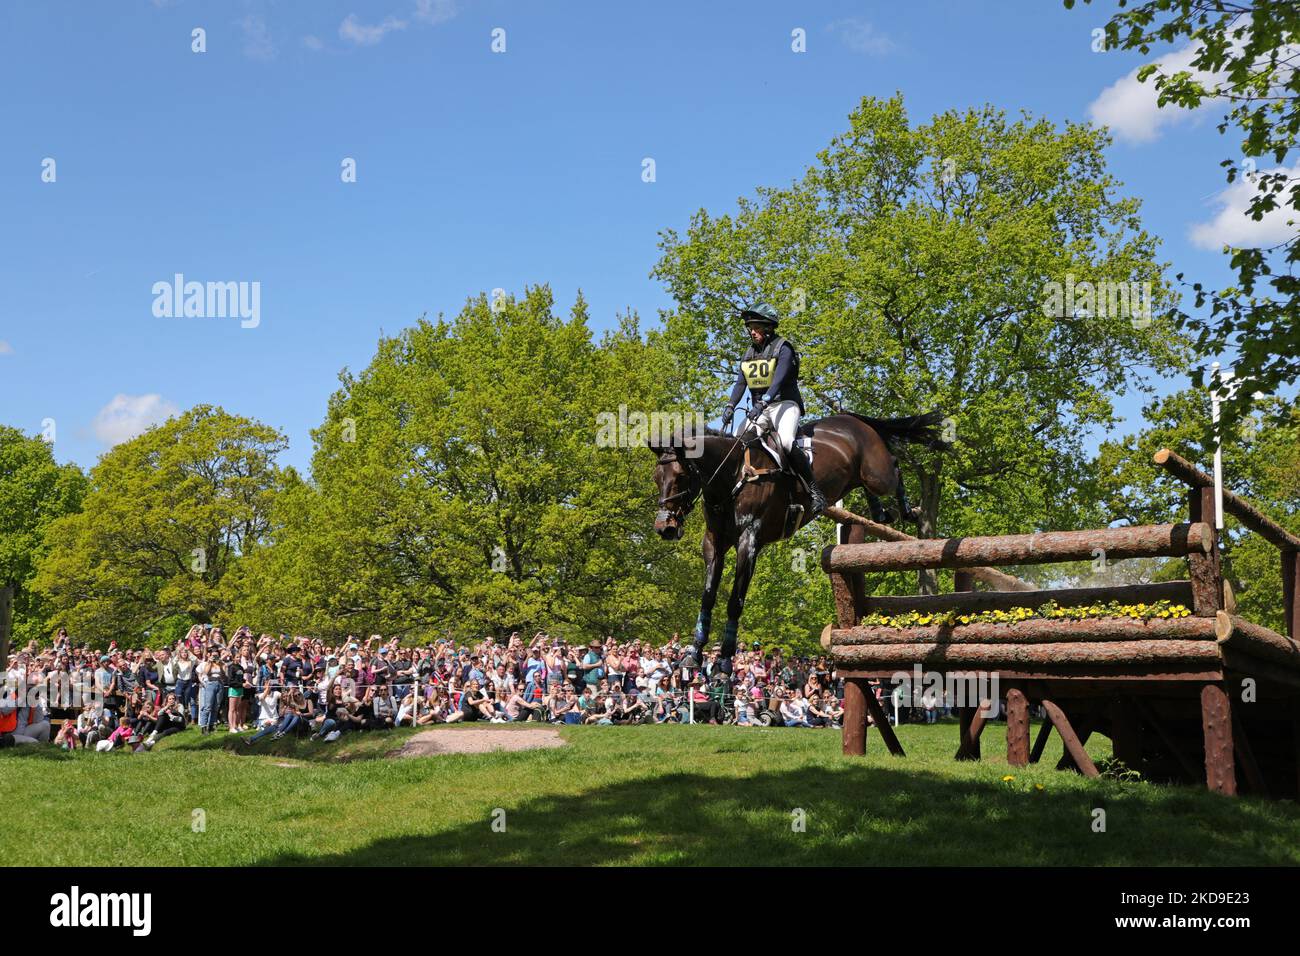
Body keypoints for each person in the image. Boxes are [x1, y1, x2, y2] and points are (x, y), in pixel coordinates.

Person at [719, 303, 825, 516]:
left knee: (785, 442)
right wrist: (730, 405)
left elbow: (778, 380)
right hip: (760, 408)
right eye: (750, 327)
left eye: (756, 327)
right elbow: (741, 383)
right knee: (737, 441)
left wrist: (763, 402)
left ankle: (815, 491)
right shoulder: (749, 353)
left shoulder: (783, 348)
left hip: (784, 404)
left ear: (768, 327)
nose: (752, 331)